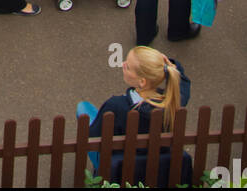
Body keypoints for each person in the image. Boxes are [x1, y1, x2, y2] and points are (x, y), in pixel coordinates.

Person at [76, 48, 191, 182]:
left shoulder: (116, 105)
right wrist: (169, 64)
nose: (123, 64)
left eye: (128, 67)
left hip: (121, 165)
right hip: (159, 163)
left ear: (142, 82)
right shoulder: (173, 101)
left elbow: (94, 135)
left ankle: (99, 172)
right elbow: (182, 82)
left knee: (83, 108)